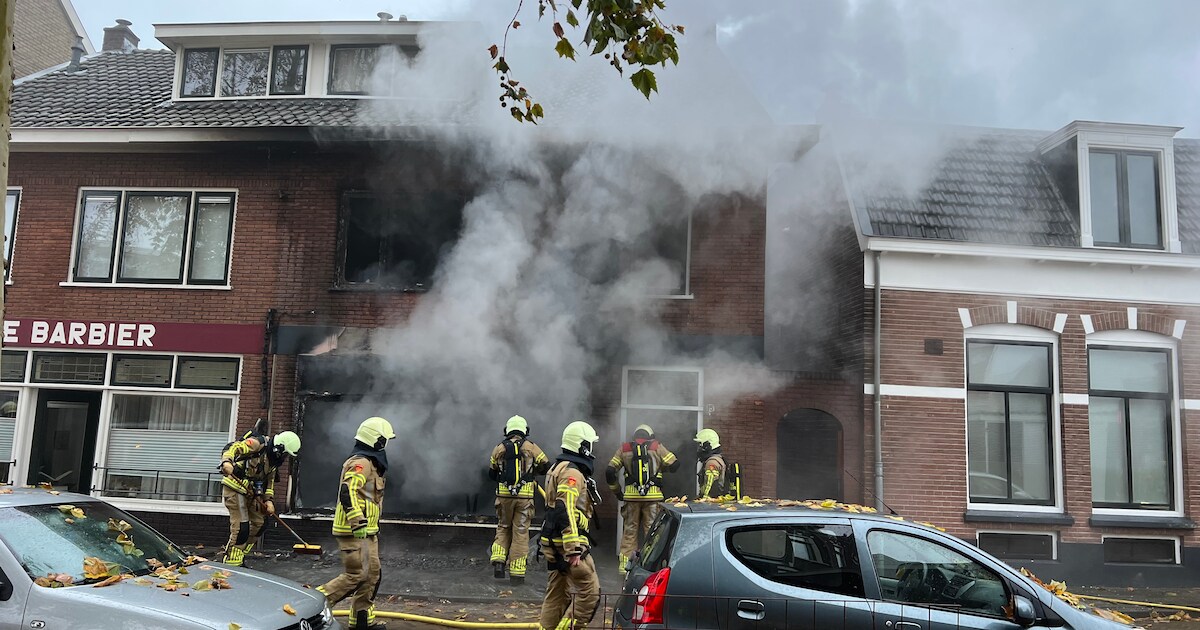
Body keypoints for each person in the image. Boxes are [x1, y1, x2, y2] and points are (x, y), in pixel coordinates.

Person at [317, 416, 395, 630]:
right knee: (356, 575)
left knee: (372, 575)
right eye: (384, 440)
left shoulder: (371, 463)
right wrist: (357, 521)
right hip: (354, 530)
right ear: (376, 440)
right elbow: (347, 490)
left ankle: (361, 622)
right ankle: (311, 604)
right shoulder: (360, 463)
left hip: (368, 531)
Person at [538, 420, 601, 630]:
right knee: (590, 593)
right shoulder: (572, 473)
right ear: (583, 446)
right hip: (568, 546)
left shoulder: (558, 468)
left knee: (556, 595)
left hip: (553, 543)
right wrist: (573, 548)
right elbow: (565, 509)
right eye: (590, 445)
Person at [218, 429, 301, 567]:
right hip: (235, 488)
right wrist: (227, 462)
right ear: (279, 448)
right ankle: (231, 564)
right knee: (242, 527)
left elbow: (270, 482)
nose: (285, 458)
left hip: (251, 492)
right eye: (285, 454)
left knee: (260, 523)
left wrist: (269, 500)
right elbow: (234, 447)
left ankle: (240, 554)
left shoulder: (273, 462)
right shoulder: (257, 444)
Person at [606, 424, 677, 575]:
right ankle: (649, 566)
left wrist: (617, 491)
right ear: (651, 436)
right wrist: (661, 467)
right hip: (653, 497)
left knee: (630, 530)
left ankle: (624, 568)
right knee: (651, 531)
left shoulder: (624, 449)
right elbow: (675, 464)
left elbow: (610, 471)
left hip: (631, 497)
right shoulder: (657, 446)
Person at [488, 415, 550, 582]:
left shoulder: (499, 448)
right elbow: (546, 465)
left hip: (503, 496)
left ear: (507, 430)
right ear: (525, 431)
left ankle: (499, 562)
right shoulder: (531, 447)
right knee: (520, 531)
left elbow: (491, 472)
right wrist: (532, 472)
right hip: (524, 497)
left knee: (503, 526)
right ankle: (516, 573)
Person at [694, 428, 727, 498]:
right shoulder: (717, 459)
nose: (698, 448)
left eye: (700, 444)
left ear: (707, 446)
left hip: (710, 504)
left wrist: (703, 500)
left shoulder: (711, 463)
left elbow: (709, 486)